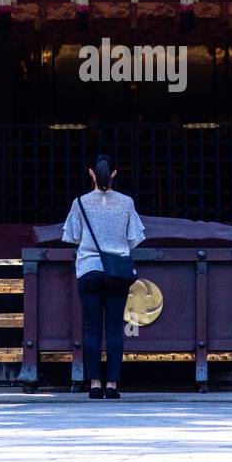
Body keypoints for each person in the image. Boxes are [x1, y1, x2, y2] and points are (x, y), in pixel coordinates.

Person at [61, 154, 146, 399]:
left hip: (88, 269)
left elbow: (72, 237)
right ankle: (113, 385)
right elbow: (134, 238)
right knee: (114, 328)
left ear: (90, 172)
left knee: (91, 329)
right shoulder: (126, 202)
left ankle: (95, 383)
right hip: (117, 272)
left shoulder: (80, 202)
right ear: (115, 173)